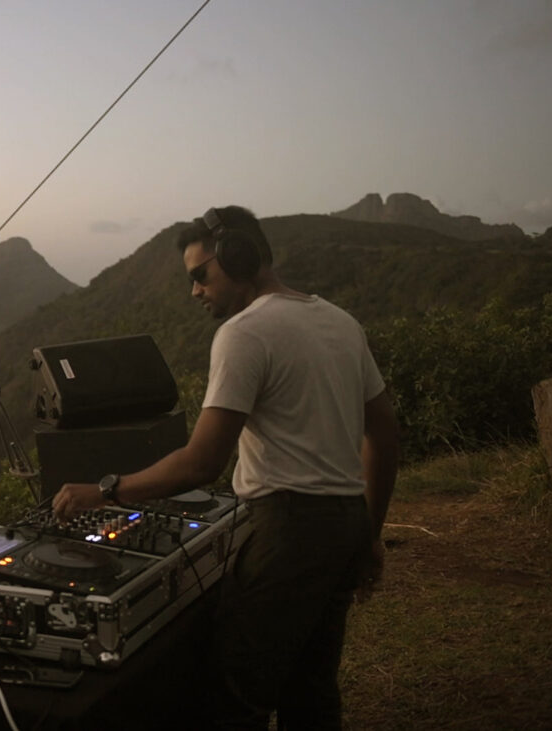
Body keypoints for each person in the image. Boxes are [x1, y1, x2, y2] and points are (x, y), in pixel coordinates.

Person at [51, 205, 399, 729]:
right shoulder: (341, 322)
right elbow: (385, 433)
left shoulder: (245, 333)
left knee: (235, 697)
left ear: (239, 258)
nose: (195, 291)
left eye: (200, 275)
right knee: (312, 690)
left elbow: (201, 463)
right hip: (345, 522)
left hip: (288, 533)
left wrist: (104, 491)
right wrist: (368, 532)